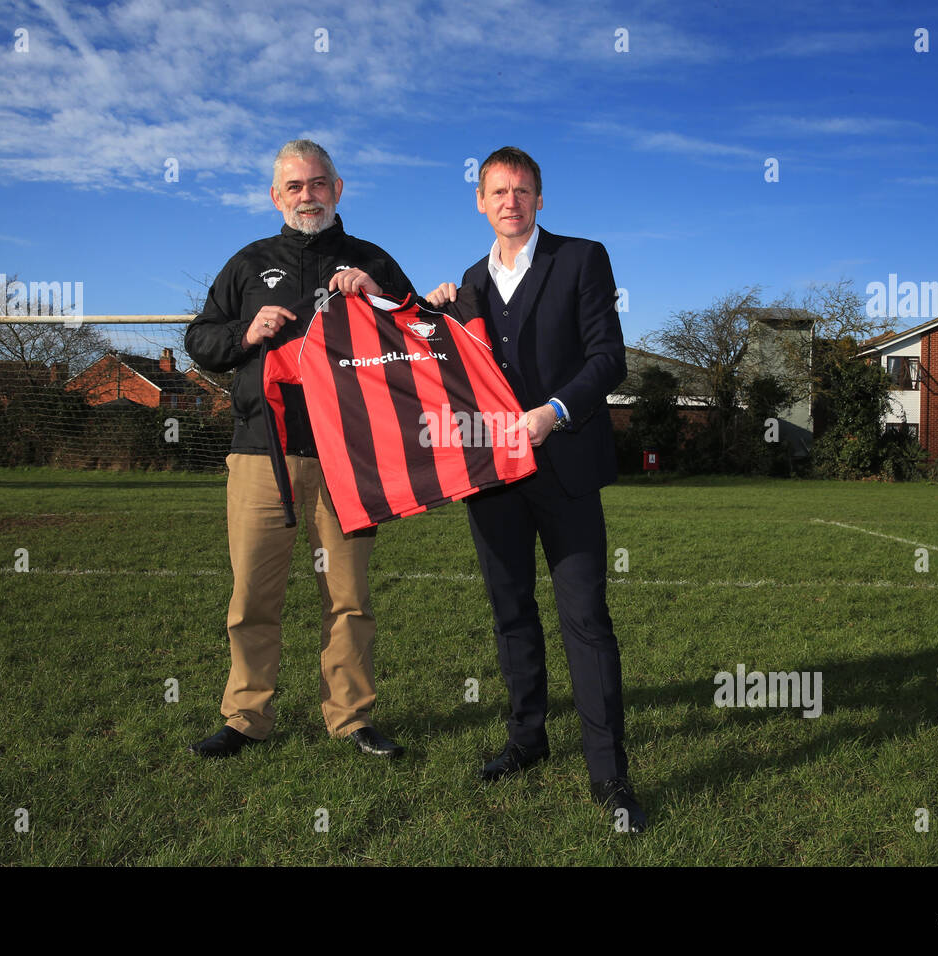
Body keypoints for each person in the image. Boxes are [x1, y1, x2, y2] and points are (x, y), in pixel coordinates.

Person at [428, 146, 647, 831]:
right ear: (480, 201)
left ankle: (609, 772)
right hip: (492, 476)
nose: (510, 201)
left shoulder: (582, 259)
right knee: (511, 611)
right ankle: (527, 737)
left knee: (585, 618)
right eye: (497, 191)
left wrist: (553, 413)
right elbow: (444, 364)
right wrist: (432, 313)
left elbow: (608, 355)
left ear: (540, 198)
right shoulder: (468, 281)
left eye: (522, 190)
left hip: (567, 466)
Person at [185, 139, 415, 759]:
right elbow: (199, 340)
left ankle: (352, 718)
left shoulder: (371, 260)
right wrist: (243, 332)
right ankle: (244, 718)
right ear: (275, 195)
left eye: (318, 184)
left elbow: (419, 337)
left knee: (348, 597)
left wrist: (383, 297)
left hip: (353, 459)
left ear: (338, 190)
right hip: (263, 453)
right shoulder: (248, 263)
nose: (307, 196)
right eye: (294, 187)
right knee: (252, 595)